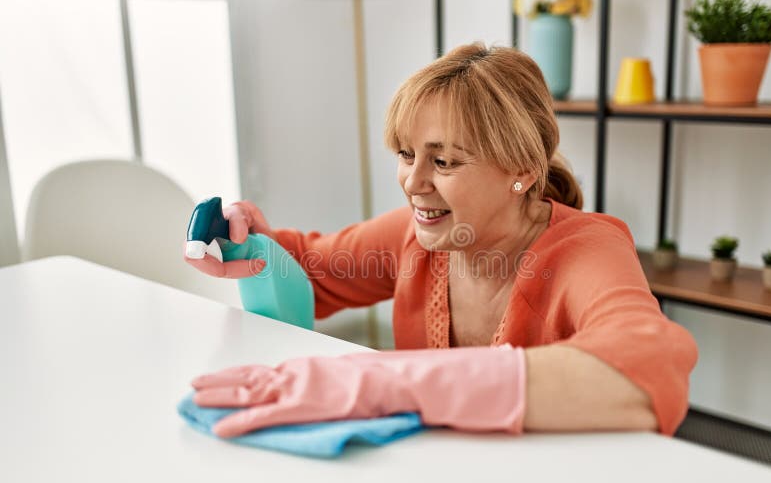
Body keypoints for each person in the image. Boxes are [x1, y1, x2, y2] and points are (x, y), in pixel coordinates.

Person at [186, 42, 698, 439]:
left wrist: (384, 382)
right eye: (407, 154)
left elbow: (647, 366)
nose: (413, 182)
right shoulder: (414, 237)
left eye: (444, 161)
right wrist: (244, 243)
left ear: (521, 171)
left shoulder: (587, 251)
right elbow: (310, 270)